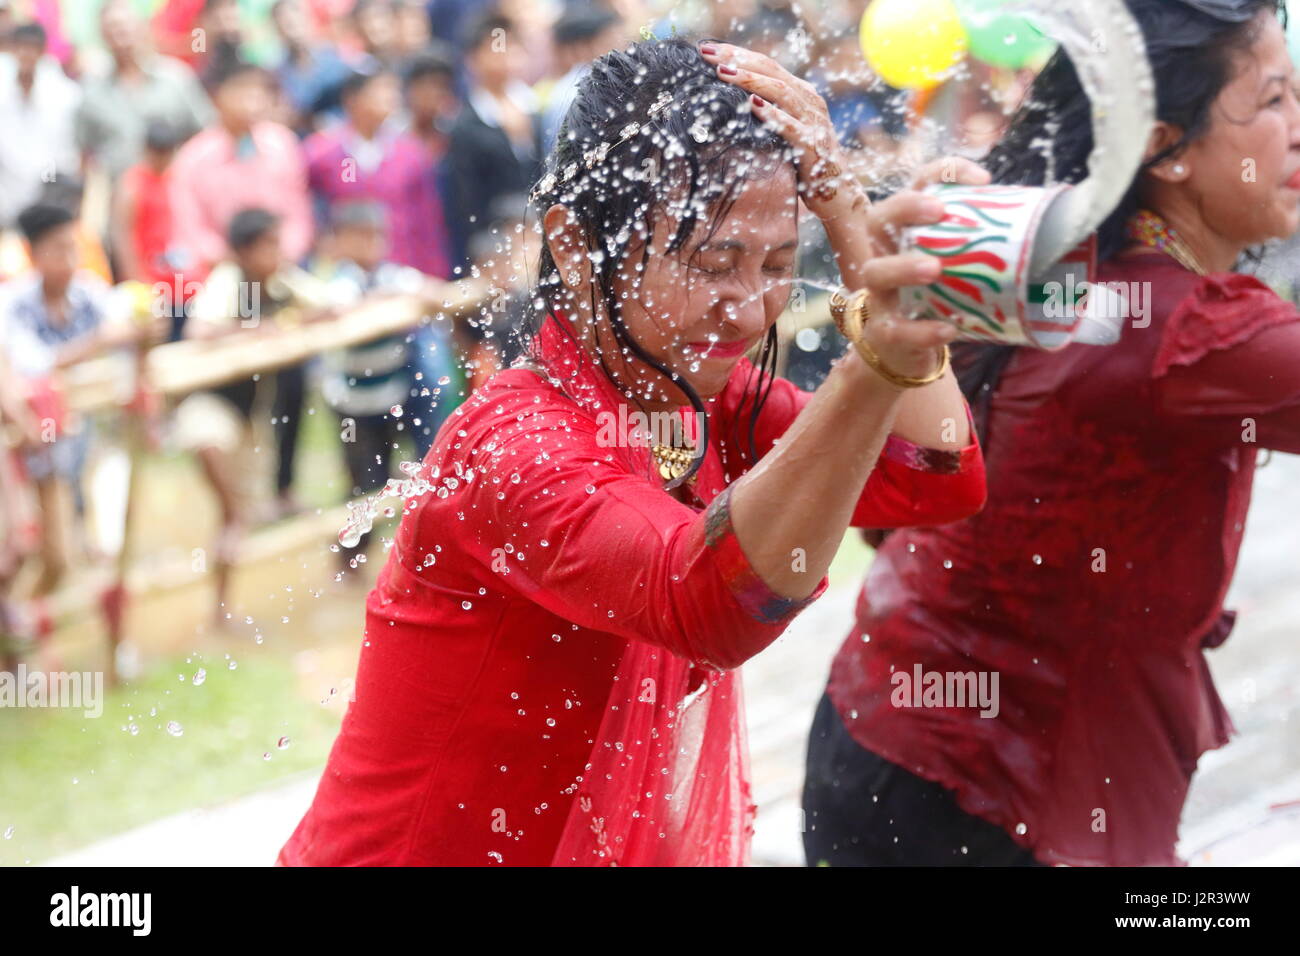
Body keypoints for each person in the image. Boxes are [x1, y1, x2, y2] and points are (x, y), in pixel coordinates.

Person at [276, 36, 986, 867]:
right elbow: (714, 603)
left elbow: (937, 478)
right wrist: (876, 361)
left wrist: (853, 224)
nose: (752, 311)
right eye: (715, 261)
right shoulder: (513, 446)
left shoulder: (706, 400)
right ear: (576, 249)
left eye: (780, 265)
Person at [804, 0, 1300, 868]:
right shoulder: (1183, 331)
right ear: (1163, 148)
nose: (1297, 129)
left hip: (885, 734)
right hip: (985, 803)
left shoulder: (1043, 258)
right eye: (1271, 103)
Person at [175, 207, 329, 625]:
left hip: (250, 417)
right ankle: (219, 596)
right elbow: (199, 332)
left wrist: (286, 322)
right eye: (269, 244)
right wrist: (254, 329)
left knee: (235, 520)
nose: (278, 252)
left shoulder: (281, 280)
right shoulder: (230, 280)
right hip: (213, 403)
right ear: (244, 251)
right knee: (214, 465)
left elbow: (328, 305)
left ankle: (220, 610)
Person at [1, 203, 157, 595]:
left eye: (73, 249)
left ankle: (28, 626)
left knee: (53, 554)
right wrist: (99, 342)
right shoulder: (14, 304)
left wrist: (143, 329)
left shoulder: (88, 293)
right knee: (24, 549)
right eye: (58, 250)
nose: (69, 260)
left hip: (67, 439)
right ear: (33, 255)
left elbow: (132, 327)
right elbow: (33, 364)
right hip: (28, 446)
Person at [168, 58, 314, 282]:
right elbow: (190, 227)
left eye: (259, 91)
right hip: (222, 274)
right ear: (217, 96)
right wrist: (233, 260)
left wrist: (281, 254)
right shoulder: (193, 157)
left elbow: (297, 211)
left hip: (281, 267)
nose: (252, 100)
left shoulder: (282, 143)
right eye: (243, 90)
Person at [304, 65, 453, 279]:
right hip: (342, 274)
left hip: (401, 269)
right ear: (353, 99)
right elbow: (312, 212)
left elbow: (427, 221)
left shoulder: (410, 155)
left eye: (393, 91)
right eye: (382, 90)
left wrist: (433, 273)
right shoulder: (322, 153)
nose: (391, 98)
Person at [75, 0, 214, 187]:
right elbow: (83, 152)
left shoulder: (175, 79)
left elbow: (206, 133)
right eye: (111, 32)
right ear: (103, 37)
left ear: (142, 28)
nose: (119, 39)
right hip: (118, 198)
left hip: (172, 194)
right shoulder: (93, 91)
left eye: (124, 30)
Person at [445, 8, 542, 275]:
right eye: (496, 48)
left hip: (536, 238)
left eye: (513, 47)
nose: (506, 55)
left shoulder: (534, 109)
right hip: (493, 247)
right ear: (473, 59)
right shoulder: (465, 124)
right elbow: (466, 202)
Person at [0, 23, 81, 229]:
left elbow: (62, 156)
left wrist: (49, 191)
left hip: (45, 200)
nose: (26, 54)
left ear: (42, 51)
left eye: (32, 48)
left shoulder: (63, 96)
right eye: (21, 47)